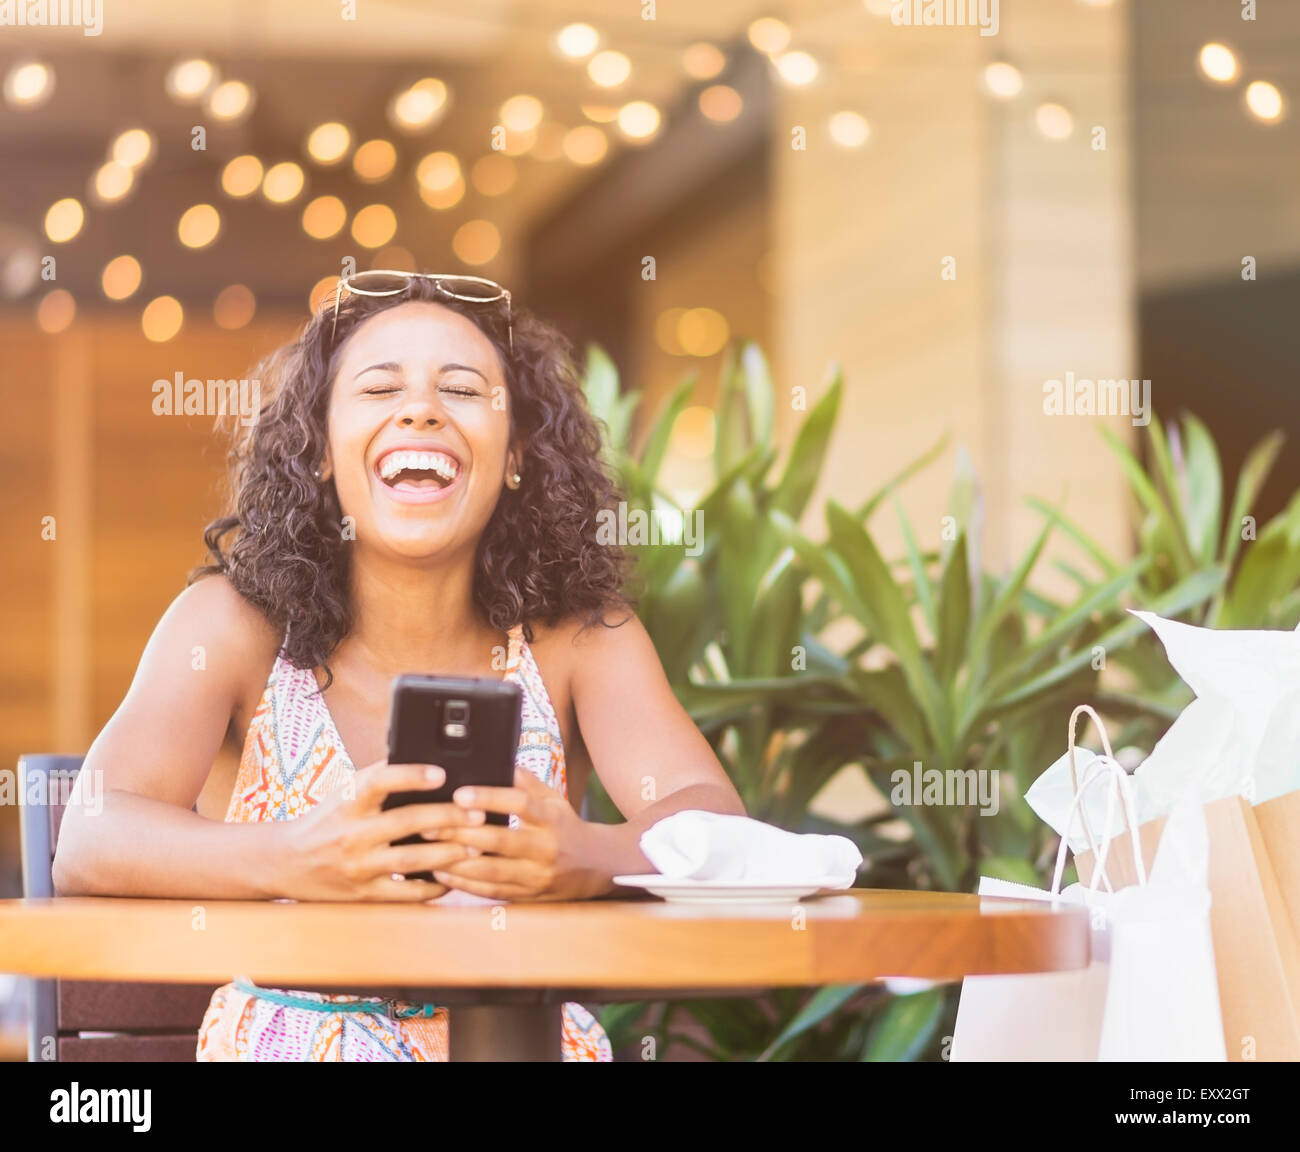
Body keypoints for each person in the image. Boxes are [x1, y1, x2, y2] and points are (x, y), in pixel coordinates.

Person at [53, 271, 746, 1061]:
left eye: (462, 388)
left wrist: (591, 857)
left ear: (515, 452)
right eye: (380, 389)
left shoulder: (579, 639)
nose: (420, 409)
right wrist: (292, 857)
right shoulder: (232, 625)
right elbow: (91, 835)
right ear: (319, 451)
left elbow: (714, 819)